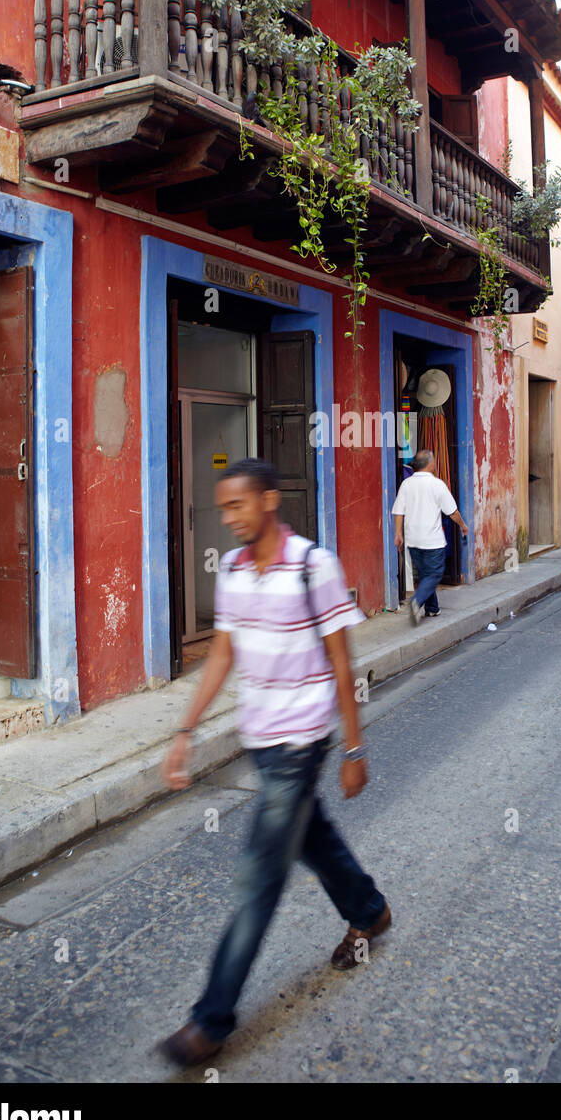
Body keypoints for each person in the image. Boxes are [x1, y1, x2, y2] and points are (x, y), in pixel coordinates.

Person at [158, 458, 390, 1068]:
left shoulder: (314, 566)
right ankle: (369, 911)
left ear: (267, 500)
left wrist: (354, 748)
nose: (229, 517)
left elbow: (342, 662)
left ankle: (210, 1021)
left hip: (301, 741)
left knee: (259, 877)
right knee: (312, 838)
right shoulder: (234, 570)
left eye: (237, 505)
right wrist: (185, 731)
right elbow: (222, 655)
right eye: (223, 508)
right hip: (260, 740)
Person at [392, 448, 469, 624]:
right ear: (430, 464)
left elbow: (398, 511)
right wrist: (463, 525)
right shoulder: (437, 484)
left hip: (413, 540)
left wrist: (398, 533)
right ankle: (417, 601)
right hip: (432, 541)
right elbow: (452, 511)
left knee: (426, 575)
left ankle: (432, 608)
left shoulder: (406, 484)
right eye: (433, 460)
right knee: (434, 575)